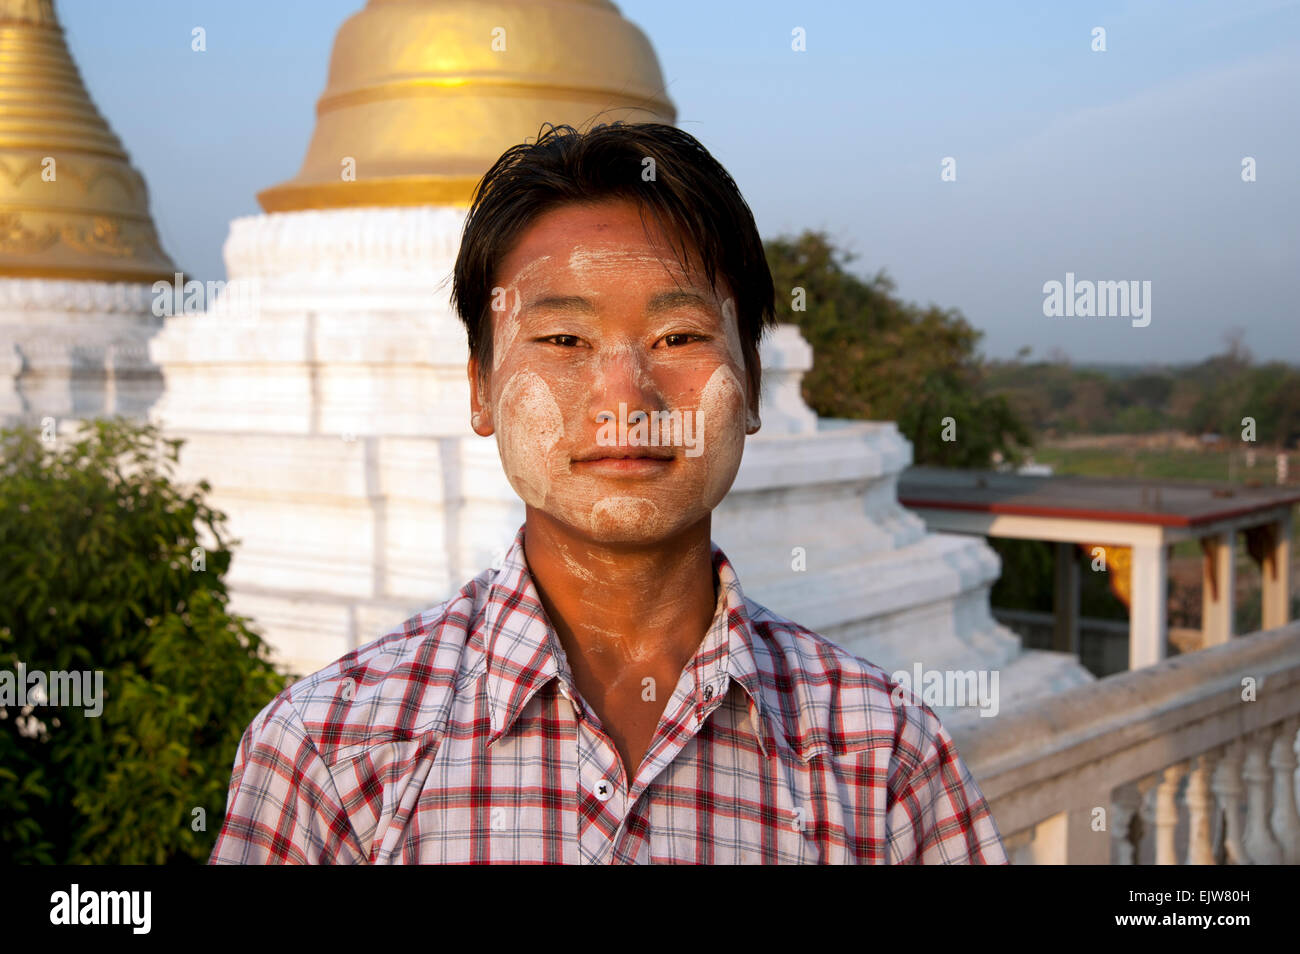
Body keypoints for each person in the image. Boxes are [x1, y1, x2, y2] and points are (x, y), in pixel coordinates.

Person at [209, 121, 1008, 864]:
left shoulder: (884, 756)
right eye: (563, 340)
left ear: (754, 383)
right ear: (482, 388)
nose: (626, 398)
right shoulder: (331, 755)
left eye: (680, 338)